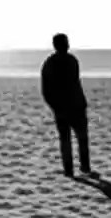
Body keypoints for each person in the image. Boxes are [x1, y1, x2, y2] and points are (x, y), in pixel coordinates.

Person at [41, 33, 91, 177]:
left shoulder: (62, 61)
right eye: (65, 42)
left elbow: (48, 90)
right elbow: (47, 89)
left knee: (73, 139)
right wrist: (55, 106)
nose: (67, 45)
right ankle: (77, 168)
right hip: (69, 106)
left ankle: (78, 168)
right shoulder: (61, 62)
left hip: (72, 105)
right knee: (73, 138)